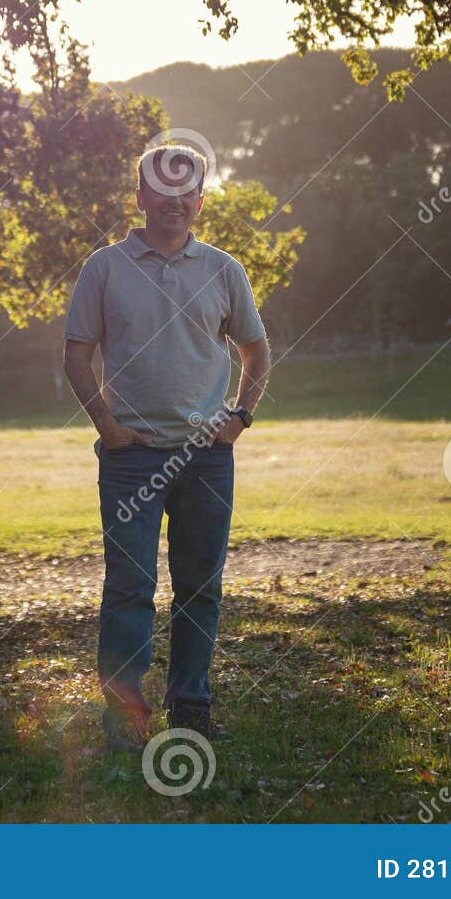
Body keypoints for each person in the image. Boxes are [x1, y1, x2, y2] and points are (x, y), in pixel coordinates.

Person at [62, 143, 271, 752]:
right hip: (131, 457)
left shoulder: (224, 269)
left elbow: (255, 351)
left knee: (199, 588)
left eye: (187, 193)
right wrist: (105, 423)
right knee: (129, 586)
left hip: (206, 457)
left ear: (199, 202)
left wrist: (240, 418)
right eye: (162, 191)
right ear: (140, 197)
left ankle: (192, 709)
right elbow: (77, 354)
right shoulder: (103, 267)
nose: (174, 203)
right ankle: (125, 720)